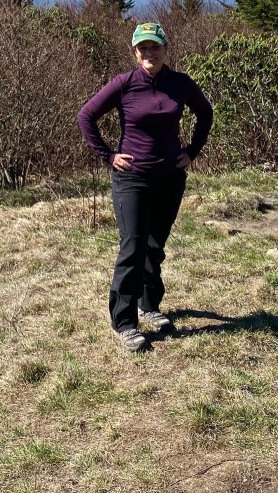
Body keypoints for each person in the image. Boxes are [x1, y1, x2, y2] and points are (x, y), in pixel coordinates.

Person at [77, 21, 213, 352]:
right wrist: (108, 156)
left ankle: (148, 305)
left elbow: (205, 113)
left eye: (154, 46)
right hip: (132, 178)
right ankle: (123, 322)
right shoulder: (124, 84)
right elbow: (86, 116)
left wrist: (191, 151)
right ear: (135, 53)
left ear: (165, 48)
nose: (149, 53)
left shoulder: (179, 83)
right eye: (143, 48)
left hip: (169, 177)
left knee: (155, 246)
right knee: (133, 246)